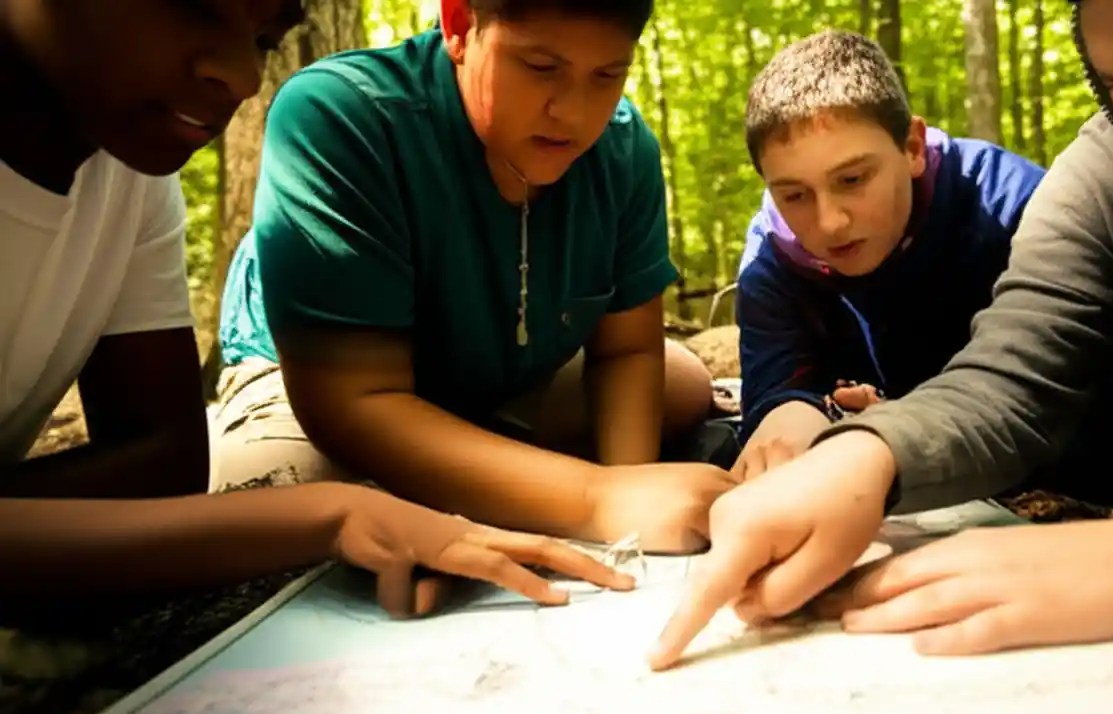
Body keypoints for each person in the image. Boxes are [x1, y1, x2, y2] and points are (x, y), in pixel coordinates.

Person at [648, 0, 1113, 670]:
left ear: (912, 147)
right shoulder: (1111, 175)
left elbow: (1097, 419)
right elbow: (1013, 380)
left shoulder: (1011, 199)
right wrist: (863, 449)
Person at [0, 0, 631, 620]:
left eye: (266, 40)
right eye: (196, 10)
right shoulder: (349, 115)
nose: (245, 78)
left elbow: (164, 470)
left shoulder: (131, 182)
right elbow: (340, 413)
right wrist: (334, 516)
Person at [211, 0, 733, 553]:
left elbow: (627, 350)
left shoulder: (624, 148)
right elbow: (351, 402)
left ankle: (474, 476)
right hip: (314, 390)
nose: (574, 112)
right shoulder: (344, 114)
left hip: (498, 382)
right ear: (459, 26)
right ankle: (478, 483)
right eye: (541, 68)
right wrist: (600, 500)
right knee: (282, 493)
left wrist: (634, 494)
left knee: (682, 383)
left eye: (607, 75)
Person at [731, 29, 1113, 510]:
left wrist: (904, 438)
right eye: (794, 195)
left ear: (913, 147)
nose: (830, 222)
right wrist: (789, 411)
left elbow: (1108, 439)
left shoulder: (1018, 209)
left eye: (852, 179)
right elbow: (774, 385)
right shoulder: (770, 258)